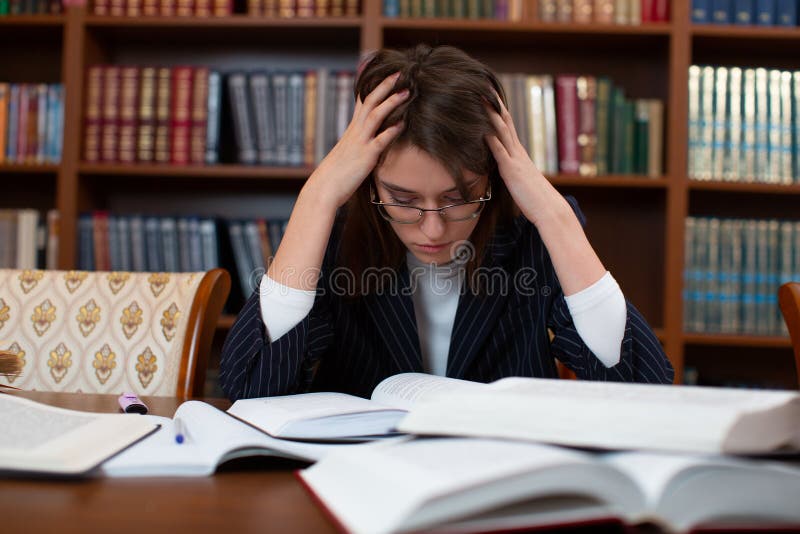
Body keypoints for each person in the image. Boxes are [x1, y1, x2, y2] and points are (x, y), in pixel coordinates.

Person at [219, 44, 673, 401]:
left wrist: (553, 212)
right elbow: (251, 387)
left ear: (494, 177)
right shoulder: (335, 234)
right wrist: (316, 196)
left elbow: (643, 388)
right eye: (404, 199)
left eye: (460, 200)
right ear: (371, 183)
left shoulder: (534, 234)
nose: (432, 230)